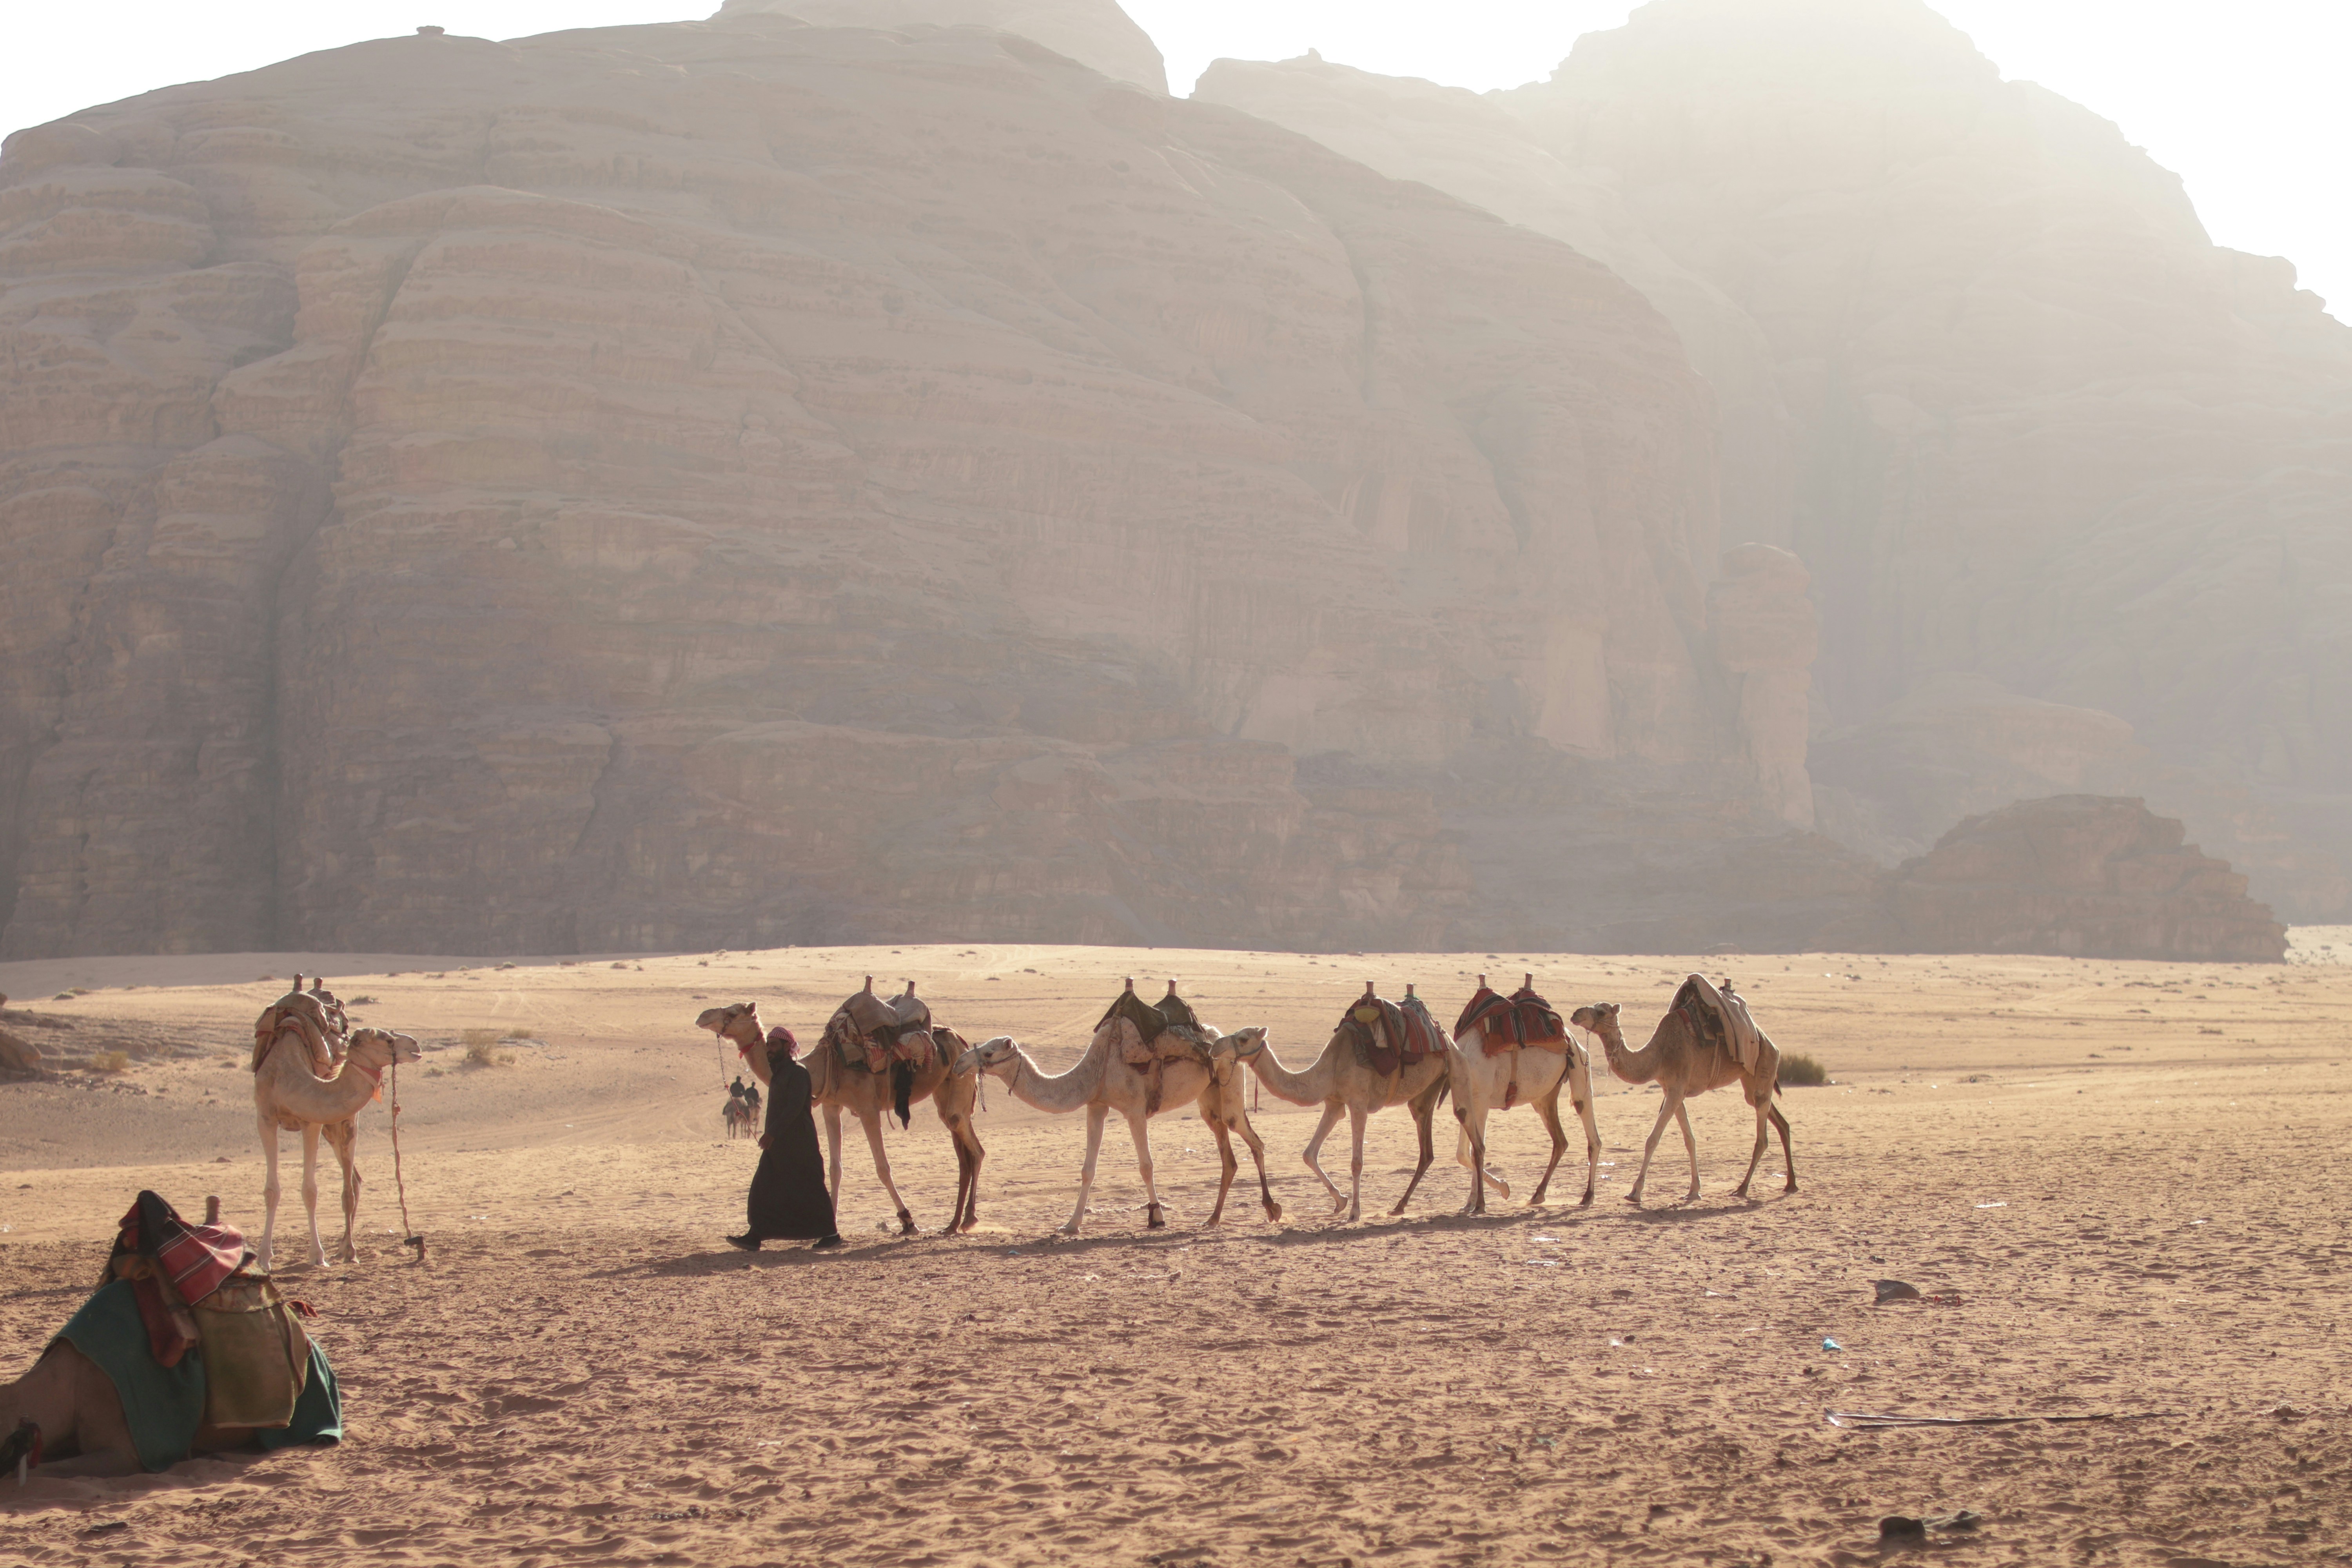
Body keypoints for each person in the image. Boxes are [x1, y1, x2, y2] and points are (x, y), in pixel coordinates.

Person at [728, 1025, 841, 1252]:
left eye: (774, 1045)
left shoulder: (798, 1073)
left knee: (812, 1189)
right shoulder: (779, 1073)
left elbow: (795, 1107)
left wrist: (772, 1133)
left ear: (787, 1046)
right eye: (768, 1045)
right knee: (764, 1188)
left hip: (800, 1144)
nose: (769, 1049)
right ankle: (756, 1235)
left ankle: (831, 1234)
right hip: (779, 1145)